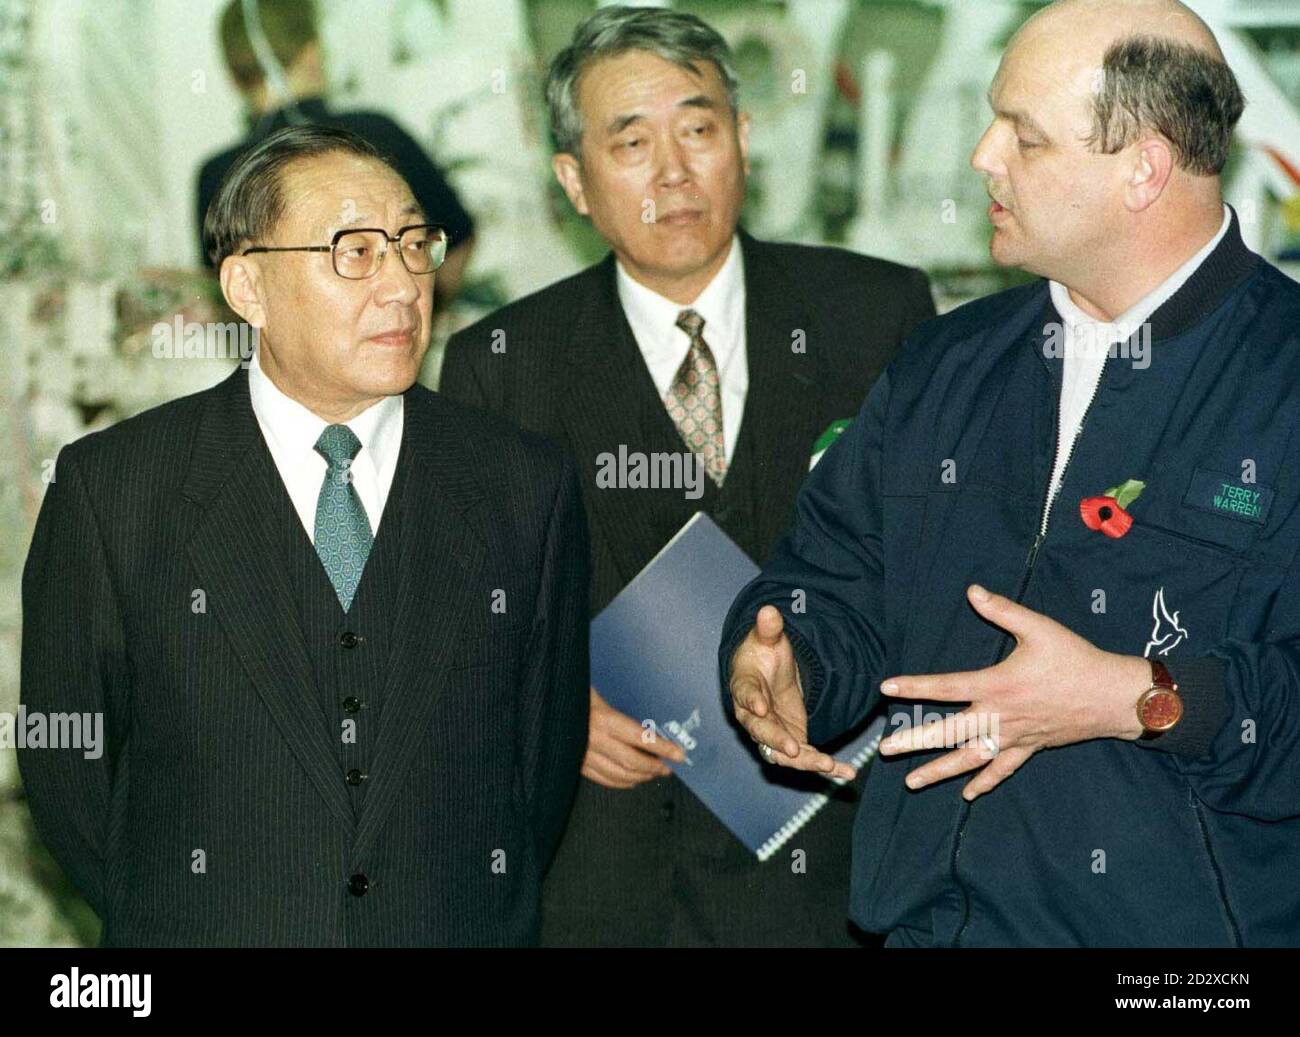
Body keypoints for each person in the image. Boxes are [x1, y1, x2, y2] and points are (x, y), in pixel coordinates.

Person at [721, 0, 1300, 947]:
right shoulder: (946, 364)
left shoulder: (1283, 380)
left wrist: (1138, 696)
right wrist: (783, 664)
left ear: (1144, 169)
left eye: (1024, 138)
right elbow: (829, 579)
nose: (983, 156)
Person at [20, 125, 589, 947]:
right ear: (247, 286)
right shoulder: (117, 490)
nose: (401, 285)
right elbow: (69, 769)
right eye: (354, 252)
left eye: (412, 243)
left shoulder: (521, 485)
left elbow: (537, 771)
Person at [440, 5, 934, 947]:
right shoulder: (504, 360)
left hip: (829, 862)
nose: (673, 172)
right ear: (574, 183)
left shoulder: (875, 313)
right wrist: (548, 713)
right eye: (631, 144)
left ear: (744, 140)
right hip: (613, 872)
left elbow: (933, 566)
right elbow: (462, 610)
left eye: (699, 129)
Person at [196, 0, 475, 306]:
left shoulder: (215, 176)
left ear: (234, 77)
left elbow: (224, 297)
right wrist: (428, 311)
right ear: (314, 53)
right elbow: (457, 238)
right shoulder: (380, 134)